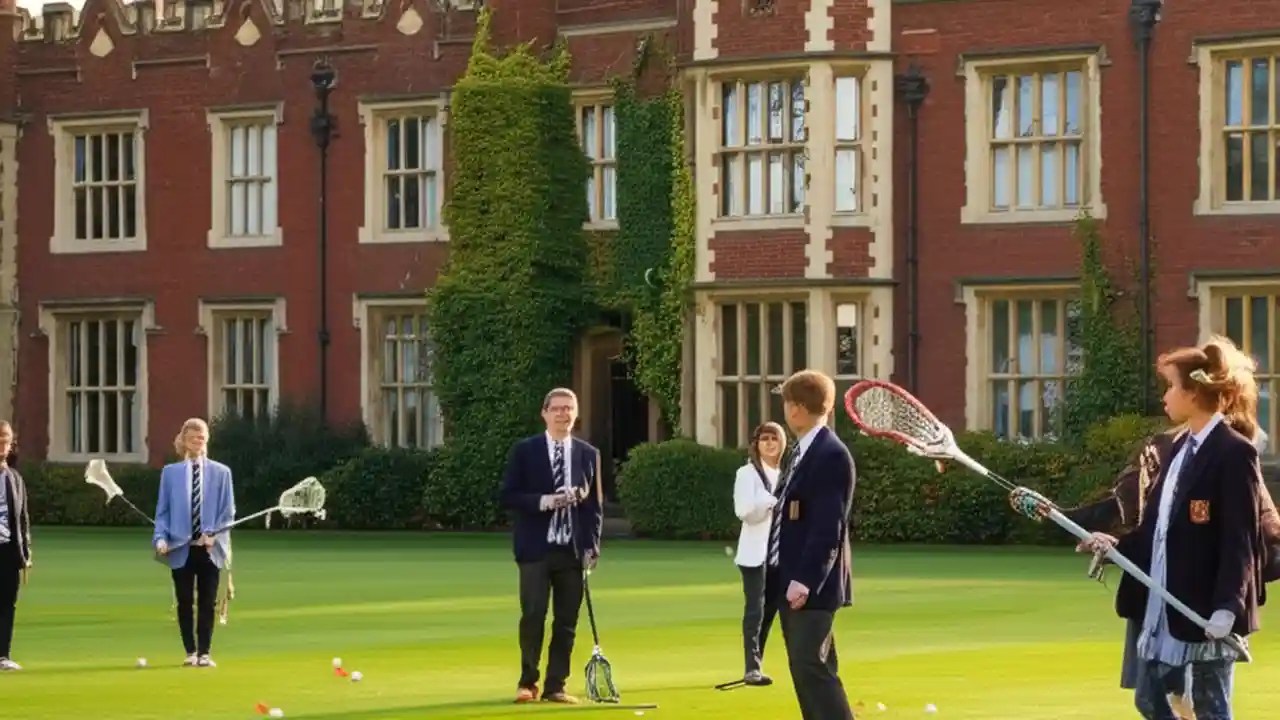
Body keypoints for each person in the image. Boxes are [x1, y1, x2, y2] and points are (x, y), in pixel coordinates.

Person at [1079, 337, 1267, 720]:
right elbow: (1156, 531)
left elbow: (1240, 540)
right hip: (1163, 602)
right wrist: (1114, 546)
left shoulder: (1234, 453)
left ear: (1194, 393)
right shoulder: (1178, 451)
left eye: (1171, 386)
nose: (1165, 397)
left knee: (1211, 709)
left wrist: (1228, 608)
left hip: (1206, 609)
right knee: (1150, 699)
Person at [499, 388, 603, 704]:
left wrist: (592, 547)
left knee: (566, 621)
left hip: (571, 550)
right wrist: (545, 501)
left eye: (568, 408)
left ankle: (556, 685)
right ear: (544, 413)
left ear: (576, 413)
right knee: (533, 615)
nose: (562, 414)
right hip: (535, 549)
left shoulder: (588, 453)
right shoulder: (525, 451)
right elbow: (508, 496)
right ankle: (527, 682)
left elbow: (594, 506)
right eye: (556, 408)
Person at [766, 370, 855, 720]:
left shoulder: (830, 454)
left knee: (812, 667)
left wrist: (804, 579)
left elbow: (827, 526)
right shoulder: (804, 451)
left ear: (797, 408)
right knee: (807, 667)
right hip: (791, 579)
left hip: (810, 586)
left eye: (787, 403)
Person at [153, 418, 235, 668]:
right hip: (181, 548)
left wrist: (214, 534)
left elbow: (228, 512)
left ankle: (205, 653)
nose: (197, 441)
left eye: (201, 437)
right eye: (193, 437)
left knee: (208, 601)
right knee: (185, 600)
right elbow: (162, 512)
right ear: (184, 441)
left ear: (206, 440)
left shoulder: (222, 473)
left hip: (211, 549)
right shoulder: (170, 473)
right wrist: (160, 538)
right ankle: (190, 651)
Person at [732, 421, 787, 686]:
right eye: (764, 439)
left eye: (774, 439)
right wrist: (769, 501)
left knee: (771, 611)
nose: (769, 443)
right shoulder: (747, 474)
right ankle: (751, 668)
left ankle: (759, 661)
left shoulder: (785, 474)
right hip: (755, 554)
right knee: (755, 610)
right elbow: (744, 512)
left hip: (781, 554)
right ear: (756, 444)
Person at [0, 420, 31, 672]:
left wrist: (25, 554)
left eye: (6, 439)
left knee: (6, 604)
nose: (3, 443)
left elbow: (22, 520)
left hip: (8, 550)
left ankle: (3, 655)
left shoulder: (15, 478)